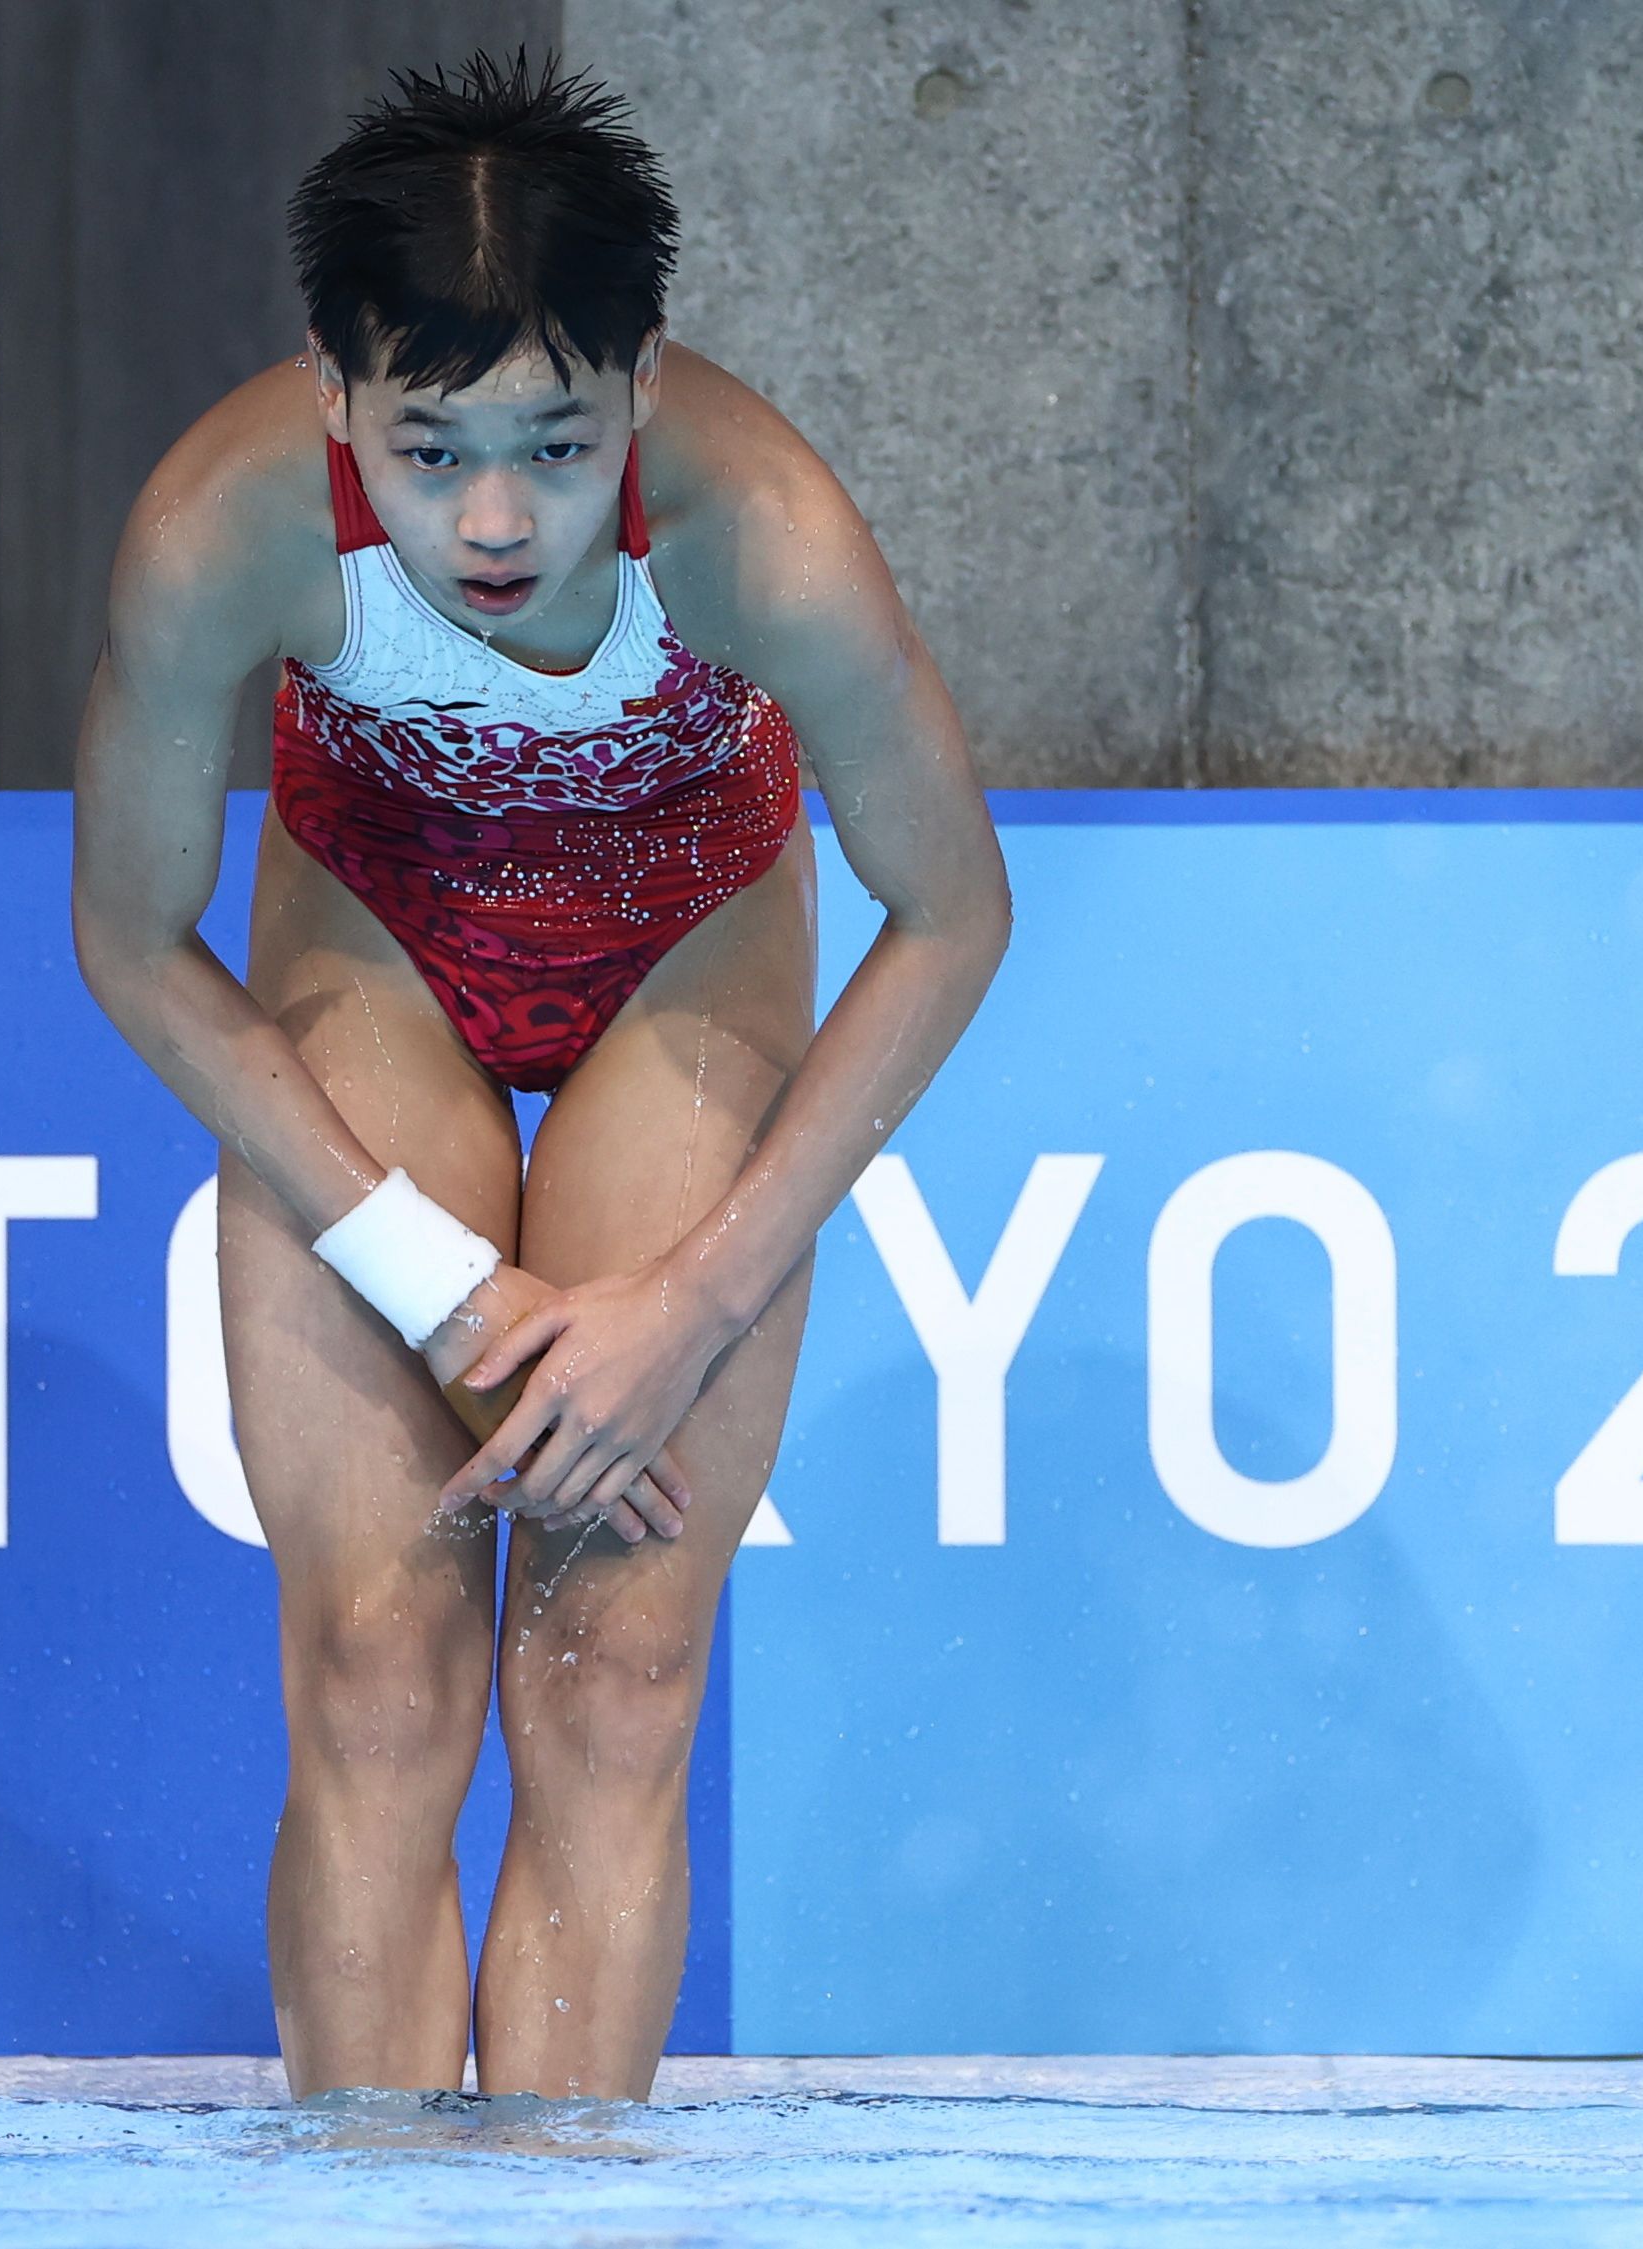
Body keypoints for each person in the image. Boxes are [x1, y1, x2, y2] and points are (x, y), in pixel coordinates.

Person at [70, 54, 1008, 2100]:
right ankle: (372, 2219)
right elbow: (132, 940)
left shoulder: (764, 538)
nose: (494, 519)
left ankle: (564, 2219)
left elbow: (952, 915)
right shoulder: (225, 531)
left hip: (685, 951)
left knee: (616, 1672)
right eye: (430, 451)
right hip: (378, 946)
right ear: (334, 399)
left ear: (642, 387)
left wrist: (694, 1300)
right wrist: (425, 1275)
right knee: (375, 1670)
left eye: (558, 447)